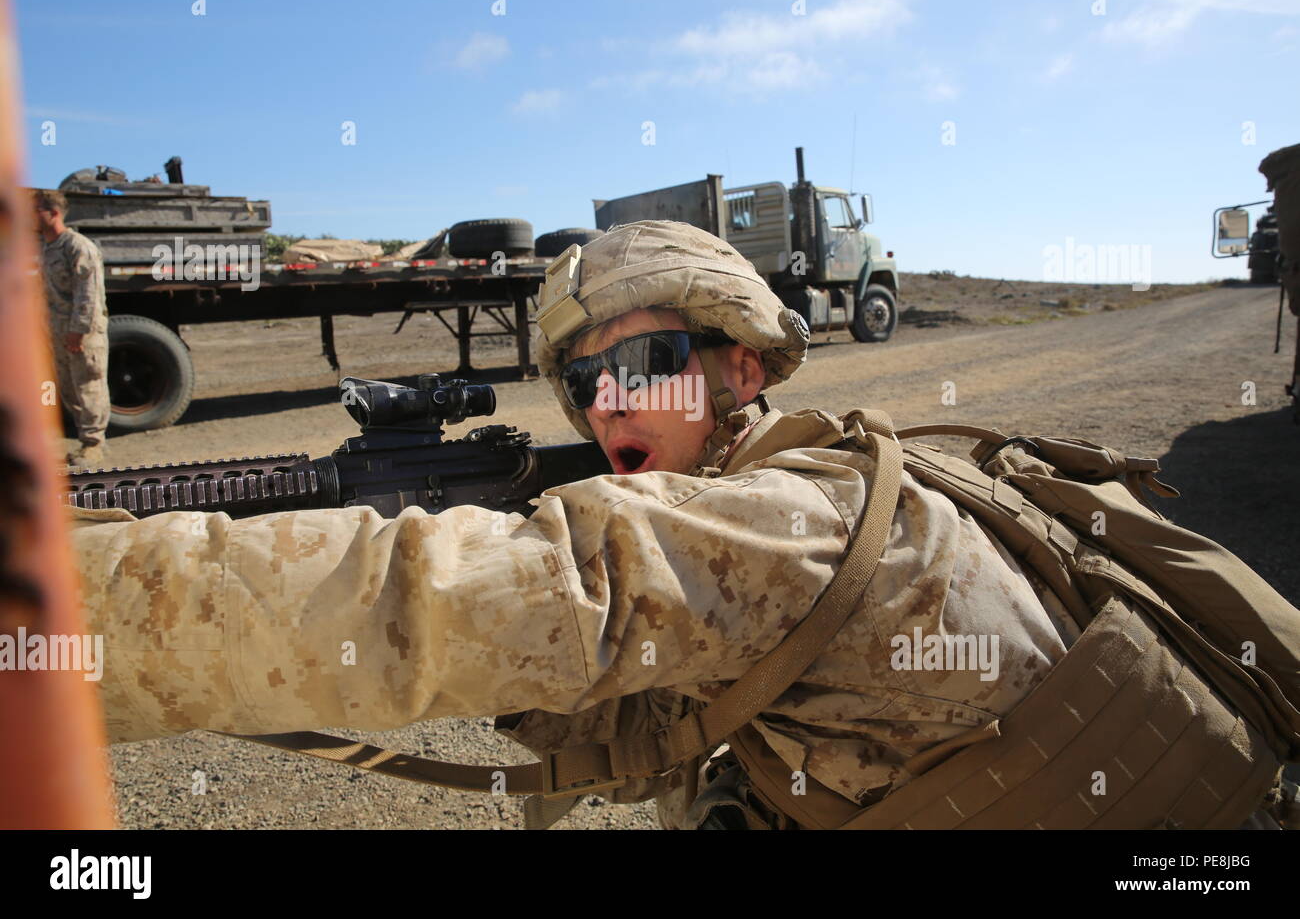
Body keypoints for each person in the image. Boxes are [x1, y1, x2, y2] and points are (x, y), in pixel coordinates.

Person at [66, 220, 1290, 829]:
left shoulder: (783, 524)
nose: (610, 406)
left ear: (743, 370)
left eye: (645, 362)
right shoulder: (830, 473)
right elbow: (659, 707)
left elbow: (406, 597)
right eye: (585, 382)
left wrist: (48, 610)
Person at [34, 188, 110, 467]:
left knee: (89, 386)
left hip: (82, 333)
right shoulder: (47, 247)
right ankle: (84, 439)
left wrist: (77, 331)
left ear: (53, 213)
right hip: (58, 330)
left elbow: (88, 294)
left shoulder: (77, 246)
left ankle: (94, 444)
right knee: (69, 389)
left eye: (35, 210)